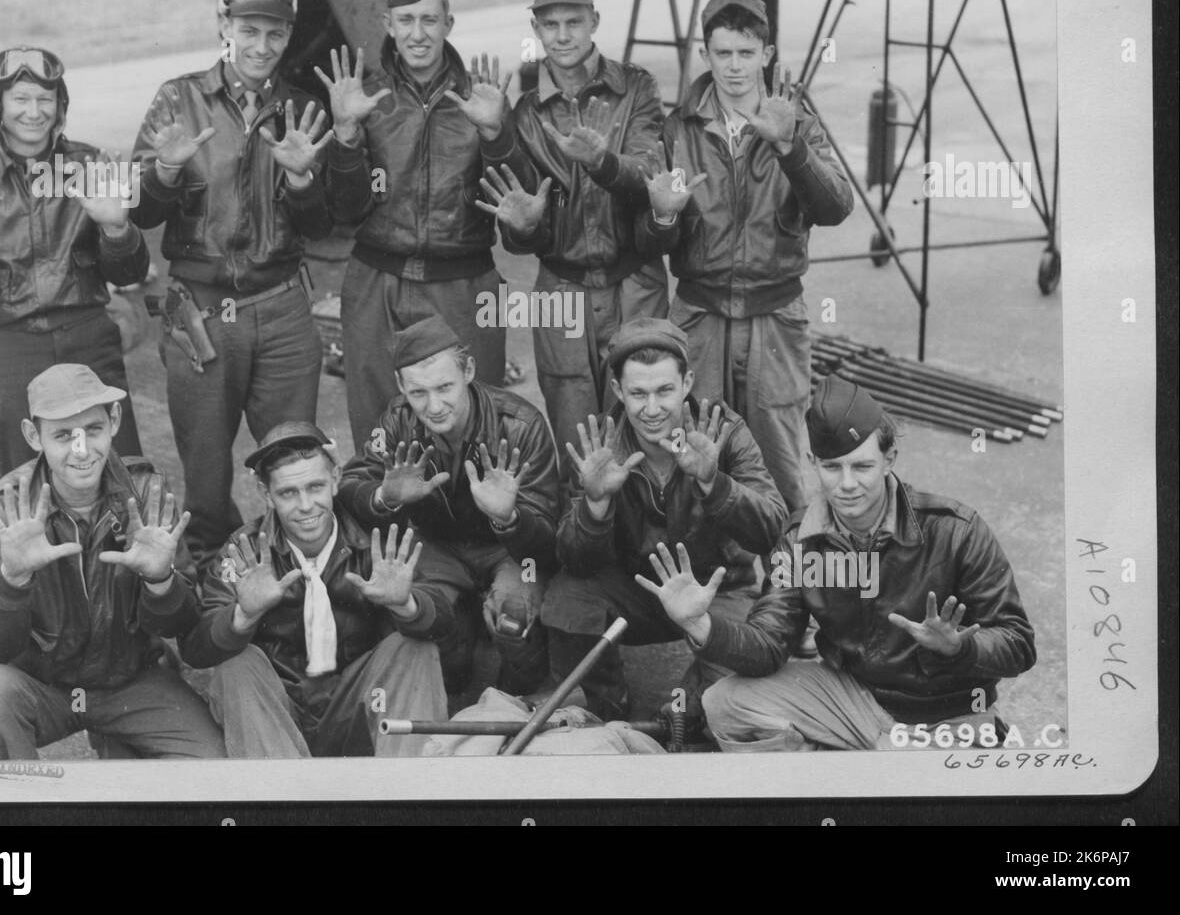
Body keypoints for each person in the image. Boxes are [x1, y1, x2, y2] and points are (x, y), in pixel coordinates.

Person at [645, 375, 1037, 751]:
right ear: (813, 461)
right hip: (853, 698)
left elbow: (1019, 643)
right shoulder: (799, 539)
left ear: (889, 459)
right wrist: (703, 625)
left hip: (946, 712)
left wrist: (958, 649)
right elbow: (770, 644)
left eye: (862, 466)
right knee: (723, 704)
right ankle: (843, 771)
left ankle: (862, 765)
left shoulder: (957, 530)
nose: (847, 484)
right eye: (832, 467)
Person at [130, 0, 366, 572]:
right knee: (205, 470)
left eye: (276, 34)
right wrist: (163, 172)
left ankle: (302, 573)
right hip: (203, 311)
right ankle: (215, 581)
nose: (261, 47)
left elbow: (318, 228)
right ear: (223, 25)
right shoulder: (177, 99)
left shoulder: (301, 108)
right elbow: (141, 212)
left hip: (284, 307)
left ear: (289, 36)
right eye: (249, 30)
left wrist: (303, 180)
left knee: (294, 458)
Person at [640, 0, 855, 513]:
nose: (734, 67)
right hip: (699, 313)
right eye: (722, 54)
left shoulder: (793, 119)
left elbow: (837, 205)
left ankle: (785, 570)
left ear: (767, 54)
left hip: (775, 314)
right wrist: (663, 214)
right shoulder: (678, 128)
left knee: (779, 451)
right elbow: (655, 243)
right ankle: (714, 569)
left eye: (746, 53)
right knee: (696, 446)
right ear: (705, 54)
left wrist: (790, 147)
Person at [318, 0, 531, 448]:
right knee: (378, 429)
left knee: (473, 424)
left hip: (461, 283)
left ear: (448, 25)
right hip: (378, 283)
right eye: (407, 20)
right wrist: (347, 136)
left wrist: (497, 135)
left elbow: (519, 210)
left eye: (430, 20)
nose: (418, 34)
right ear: (389, 25)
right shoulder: (366, 98)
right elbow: (346, 211)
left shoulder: (481, 98)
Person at [541, 317, 788, 721]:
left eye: (664, 391)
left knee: (696, 718)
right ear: (618, 390)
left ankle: (681, 715)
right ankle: (606, 711)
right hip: (636, 592)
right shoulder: (601, 446)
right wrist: (595, 504)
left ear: (687, 383)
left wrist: (714, 483)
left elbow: (772, 528)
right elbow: (573, 561)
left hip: (715, 589)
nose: (652, 409)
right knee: (567, 602)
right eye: (637, 393)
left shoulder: (724, 431)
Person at [478, 0, 676, 462]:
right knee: (575, 437)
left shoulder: (636, 88)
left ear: (595, 21)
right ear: (536, 27)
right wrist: (521, 228)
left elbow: (647, 173)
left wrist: (602, 162)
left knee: (648, 432)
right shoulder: (524, 114)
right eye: (550, 24)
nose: (562, 35)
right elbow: (524, 227)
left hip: (634, 282)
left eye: (574, 21)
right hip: (560, 290)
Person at [179, 423, 451, 757]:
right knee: (237, 664)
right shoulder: (244, 551)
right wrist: (243, 616)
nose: (306, 506)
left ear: (336, 479)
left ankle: (408, 792)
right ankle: (283, 799)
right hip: (277, 718)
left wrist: (406, 604)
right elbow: (196, 649)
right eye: (288, 493)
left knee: (414, 649)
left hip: (359, 707)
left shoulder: (376, 540)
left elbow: (444, 620)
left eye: (315, 486)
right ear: (266, 494)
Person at [0, 364, 223, 760]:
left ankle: (117, 743)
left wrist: (161, 582)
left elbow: (184, 626)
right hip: (43, 687)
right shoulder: (7, 509)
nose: (81, 450)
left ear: (115, 421)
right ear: (34, 436)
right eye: (63, 435)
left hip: (130, 683)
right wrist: (12, 580)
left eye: (93, 430)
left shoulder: (148, 491)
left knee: (209, 762)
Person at [339, 315, 559, 697]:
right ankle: (455, 667)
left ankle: (519, 696)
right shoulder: (396, 420)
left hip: (511, 552)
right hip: (437, 547)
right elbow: (350, 483)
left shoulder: (522, 425)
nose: (434, 406)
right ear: (400, 386)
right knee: (423, 617)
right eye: (418, 392)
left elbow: (546, 545)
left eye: (444, 387)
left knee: (514, 619)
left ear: (469, 370)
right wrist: (386, 496)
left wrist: (509, 516)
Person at [0, 46, 150, 477]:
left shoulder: (89, 164)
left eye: (46, 99)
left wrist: (118, 229)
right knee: (17, 476)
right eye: (20, 99)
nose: (34, 112)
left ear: (61, 106)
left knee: (115, 465)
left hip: (86, 336)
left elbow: (131, 273)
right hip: (9, 339)